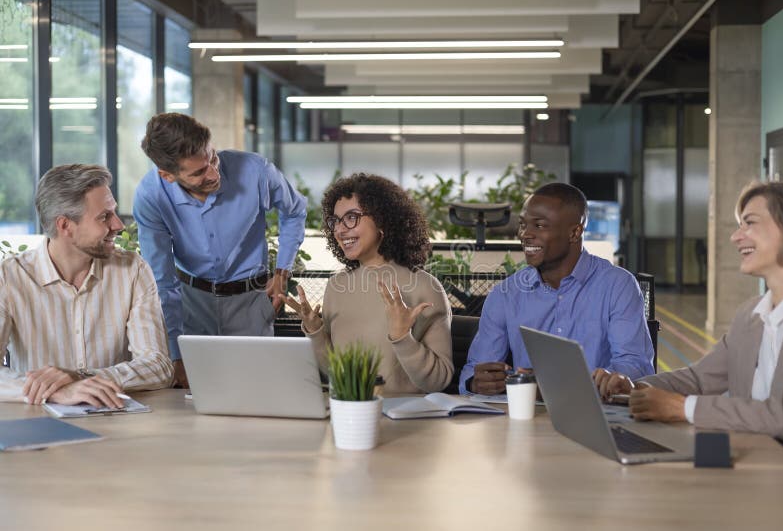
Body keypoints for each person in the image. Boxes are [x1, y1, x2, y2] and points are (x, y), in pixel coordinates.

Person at [594, 181, 783, 443]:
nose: (736, 236)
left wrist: (684, 408)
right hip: (753, 464)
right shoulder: (750, 316)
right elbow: (699, 379)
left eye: (750, 223)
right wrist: (636, 387)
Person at [134, 113, 307, 387]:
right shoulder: (151, 196)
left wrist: (282, 271)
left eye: (212, 158)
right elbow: (163, 282)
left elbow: (295, 211)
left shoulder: (256, 170)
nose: (214, 174)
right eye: (198, 172)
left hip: (251, 301)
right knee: (195, 401)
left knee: (256, 393)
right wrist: (176, 356)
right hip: (191, 305)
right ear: (167, 175)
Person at [0, 164, 173, 406]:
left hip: (117, 419)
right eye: (104, 217)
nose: (118, 225)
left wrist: (82, 377)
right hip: (38, 423)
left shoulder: (133, 270)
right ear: (65, 226)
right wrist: (56, 392)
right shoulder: (9, 277)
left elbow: (159, 366)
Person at [461, 182, 654, 395]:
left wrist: (608, 380)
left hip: (597, 414)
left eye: (539, 225)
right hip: (527, 415)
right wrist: (475, 383)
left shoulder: (618, 286)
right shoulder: (505, 294)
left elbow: (637, 366)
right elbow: (474, 369)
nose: (525, 234)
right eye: (523, 224)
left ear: (574, 233)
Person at [281, 173, 453, 394]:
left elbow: (439, 381)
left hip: (409, 421)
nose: (340, 230)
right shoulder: (337, 286)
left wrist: (403, 338)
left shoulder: (425, 287)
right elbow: (337, 374)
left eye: (351, 217)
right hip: (350, 416)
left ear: (383, 220)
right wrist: (315, 332)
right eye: (335, 221)